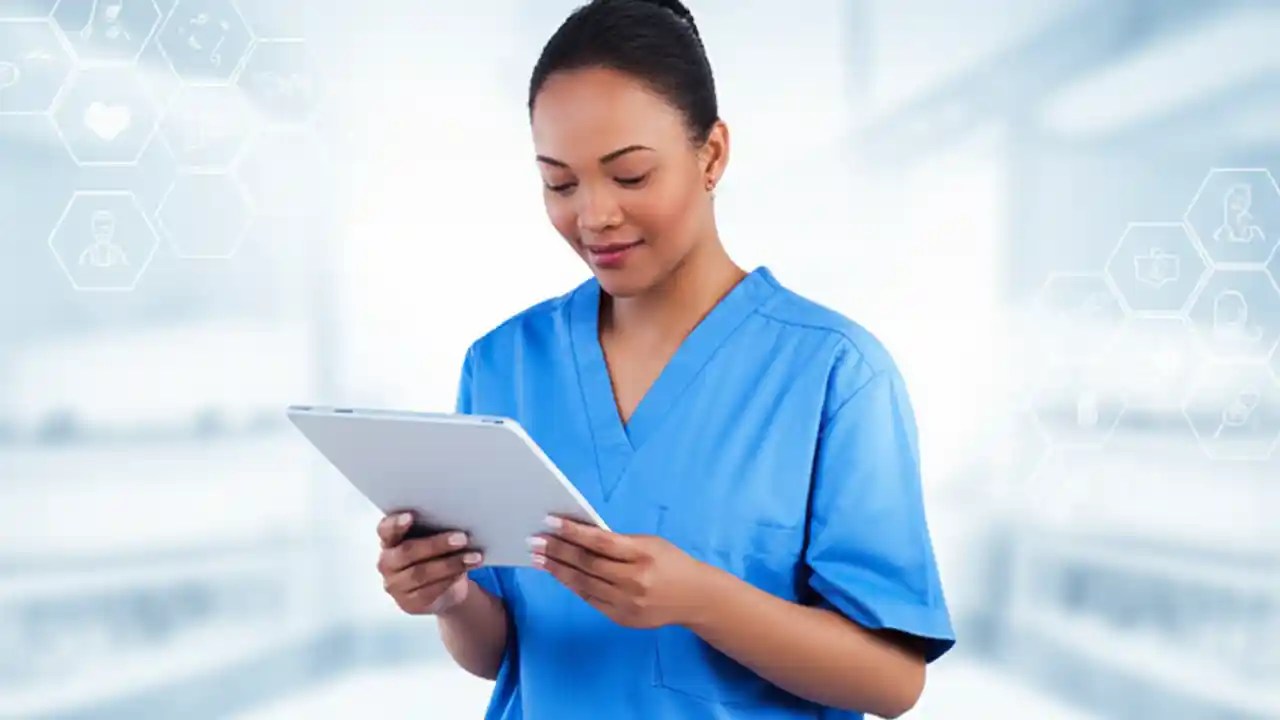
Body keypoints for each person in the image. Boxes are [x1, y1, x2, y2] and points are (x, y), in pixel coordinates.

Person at [374, 1, 955, 717]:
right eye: (560, 183)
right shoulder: (502, 366)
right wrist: (450, 596)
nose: (593, 216)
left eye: (630, 176)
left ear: (711, 155)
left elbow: (893, 683)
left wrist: (702, 600)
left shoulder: (834, 373)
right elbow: (500, 654)